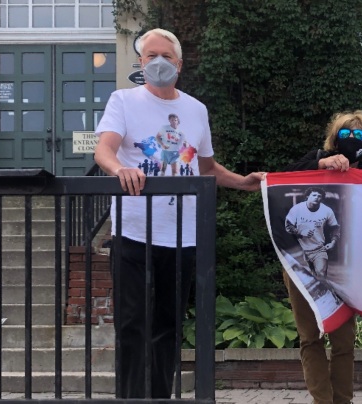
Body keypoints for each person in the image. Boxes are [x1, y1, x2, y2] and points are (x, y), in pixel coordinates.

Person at [93, 28, 265, 399]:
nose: (157, 62)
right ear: (140, 62)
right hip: (134, 232)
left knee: (168, 328)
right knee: (132, 325)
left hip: (184, 236)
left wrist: (244, 182)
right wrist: (118, 169)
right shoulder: (123, 100)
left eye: (165, 56)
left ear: (179, 64)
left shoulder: (195, 109)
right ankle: (132, 398)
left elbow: (207, 169)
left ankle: (159, 396)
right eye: (150, 55)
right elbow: (104, 150)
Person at [282, 110, 362, 404]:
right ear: (334, 139)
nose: (350, 140)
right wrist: (321, 162)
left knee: (344, 339)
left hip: (345, 266)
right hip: (299, 264)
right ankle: (322, 401)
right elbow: (282, 176)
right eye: (344, 134)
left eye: (358, 135)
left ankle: (342, 401)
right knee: (310, 337)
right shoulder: (314, 164)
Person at [285, 187, 340, 279]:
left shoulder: (327, 210)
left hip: (319, 249)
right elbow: (288, 226)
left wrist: (333, 242)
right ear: (307, 197)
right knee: (311, 277)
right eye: (314, 195)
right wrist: (300, 232)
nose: (316, 197)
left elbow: (335, 228)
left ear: (321, 199)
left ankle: (324, 292)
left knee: (321, 274)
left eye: (319, 196)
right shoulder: (297, 209)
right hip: (301, 250)